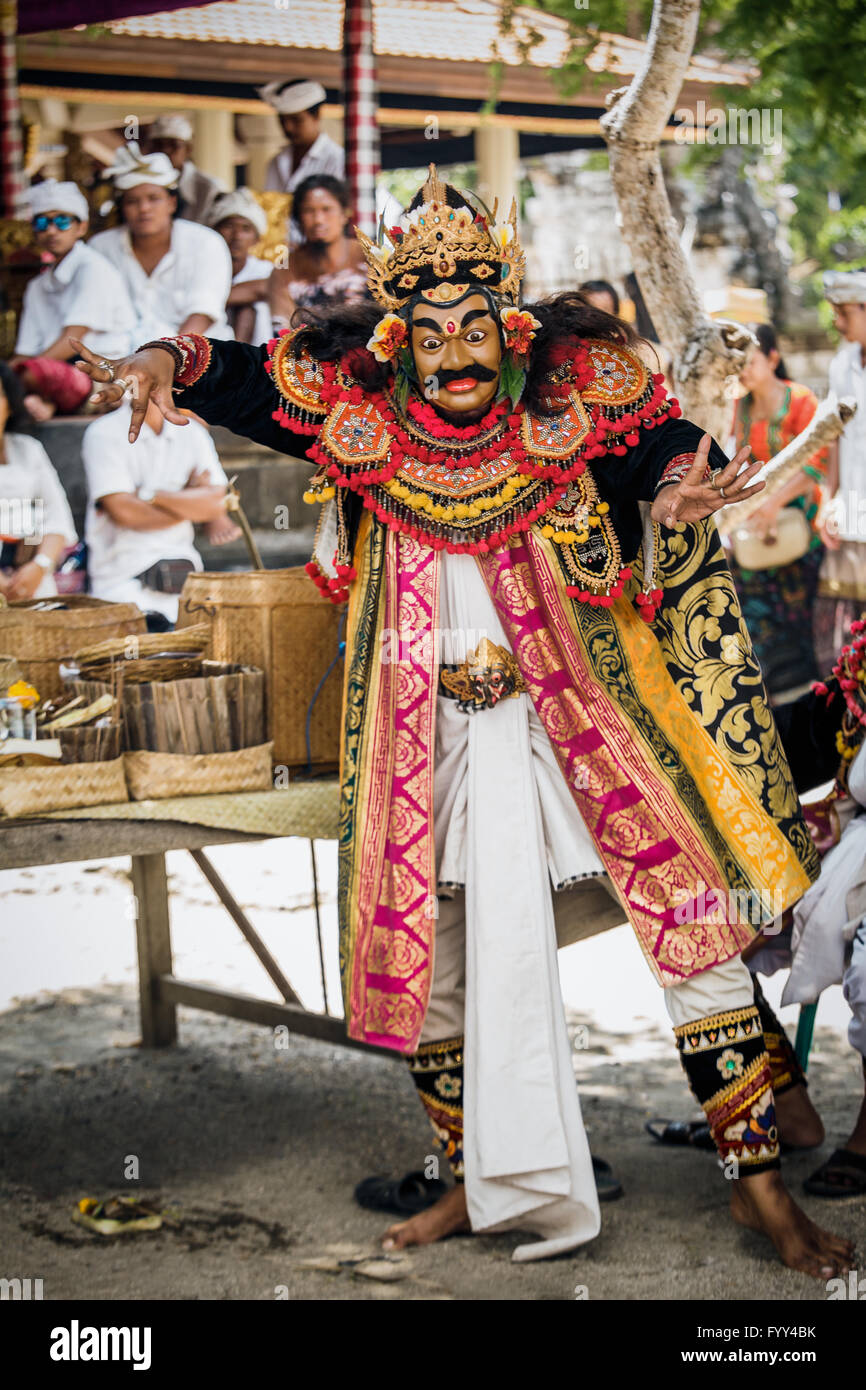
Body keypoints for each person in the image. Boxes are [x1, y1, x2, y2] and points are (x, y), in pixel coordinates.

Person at [78, 165, 854, 1280]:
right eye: (428, 334)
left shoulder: (567, 402)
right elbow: (238, 377)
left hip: (575, 721)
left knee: (690, 926)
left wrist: (678, 480)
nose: (452, 357)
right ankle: (465, 1179)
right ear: (400, 339)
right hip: (423, 731)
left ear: (510, 328)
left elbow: (659, 447)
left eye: (472, 329)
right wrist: (159, 361)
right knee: (427, 957)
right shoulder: (362, 413)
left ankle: (758, 1185)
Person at [725, 323, 828, 698]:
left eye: (749, 361)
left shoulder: (801, 401)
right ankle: (778, 707)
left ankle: (818, 703)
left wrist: (774, 504)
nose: (743, 371)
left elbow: (818, 461)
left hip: (800, 526)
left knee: (807, 625)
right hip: (752, 532)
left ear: (772, 358)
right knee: (758, 626)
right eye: (737, 365)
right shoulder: (737, 409)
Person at [82, 398, 229, 625]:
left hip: (186, 585)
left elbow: (216, 503)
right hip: (123, 585)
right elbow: (126, 513)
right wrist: (191, 501)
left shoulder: (193, 433)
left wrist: (150, 495)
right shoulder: (103, 433)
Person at [11, 180, 136, 420]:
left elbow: (72, 341)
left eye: (61, 221)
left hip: (99, 373)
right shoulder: (37, 287)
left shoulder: (93, 269)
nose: (51, 230)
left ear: (81, 227)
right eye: (42, 223)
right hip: (51, 369)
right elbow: (26, 352)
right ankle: (40, 401)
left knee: (36, 374)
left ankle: (41, 400)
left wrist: (19, 375)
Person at [89, 143, 233, 345]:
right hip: (122, 358)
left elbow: (202, 313)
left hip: (194, 356)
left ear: (171, 202)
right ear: (122, 207)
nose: (144, 208)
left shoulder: (206, 242)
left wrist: (165, 355)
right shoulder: (101, 247)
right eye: (132, 201)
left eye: (153, 198)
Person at [813, 270, 866, 673]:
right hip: (851, 512)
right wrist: (828, 501)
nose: (836, 320)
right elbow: (833, 436)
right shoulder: (842, 363)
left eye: (843, 311)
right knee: (843, 634)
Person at [0, 362, 76, 601]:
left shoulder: (28, 449)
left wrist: (40, 566)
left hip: (33, 580)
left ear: (11, 403)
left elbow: (58, 516)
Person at [268, 175, 369, 330]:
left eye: (327, 209)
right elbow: (282, 331)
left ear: (344, 214)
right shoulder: (284, 269)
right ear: (298, 219)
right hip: (306, 351)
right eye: (308, 211)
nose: (318, 220)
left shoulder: (369, 256)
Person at [257, 79, 344, 196]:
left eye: (296, 120)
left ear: (316, 116)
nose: (288, 127)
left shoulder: (338, 160)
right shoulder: (276, 161)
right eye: (282, 121)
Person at [210, 189, 274, 346]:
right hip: (210, 346)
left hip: (257, 349)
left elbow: (264, 288)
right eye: (229, 226)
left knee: (249, 308)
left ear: (256, 239)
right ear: (214, 231)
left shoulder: (266, 270)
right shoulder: (203, 268)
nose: (237, 235)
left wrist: (207, 300)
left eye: (246, 229)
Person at [143, 114, 225, 226]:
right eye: (159, 145)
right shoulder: (138, 184)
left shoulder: (209, 187)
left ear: (188, 150)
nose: (165, 150)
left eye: (174, 145)